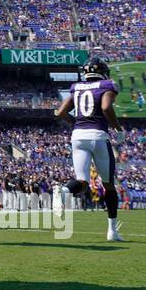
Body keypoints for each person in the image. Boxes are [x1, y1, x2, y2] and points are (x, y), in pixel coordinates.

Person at [53, 56, 123, 241]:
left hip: (78, 136)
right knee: (108, 184)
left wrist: (76, 123)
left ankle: (64, 191)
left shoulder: (76, 87)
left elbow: (60, 113)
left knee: (82, 182)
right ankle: (112, 231)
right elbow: (106, 107)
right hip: (98, 136)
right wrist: (118, 128)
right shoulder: (106, 85)